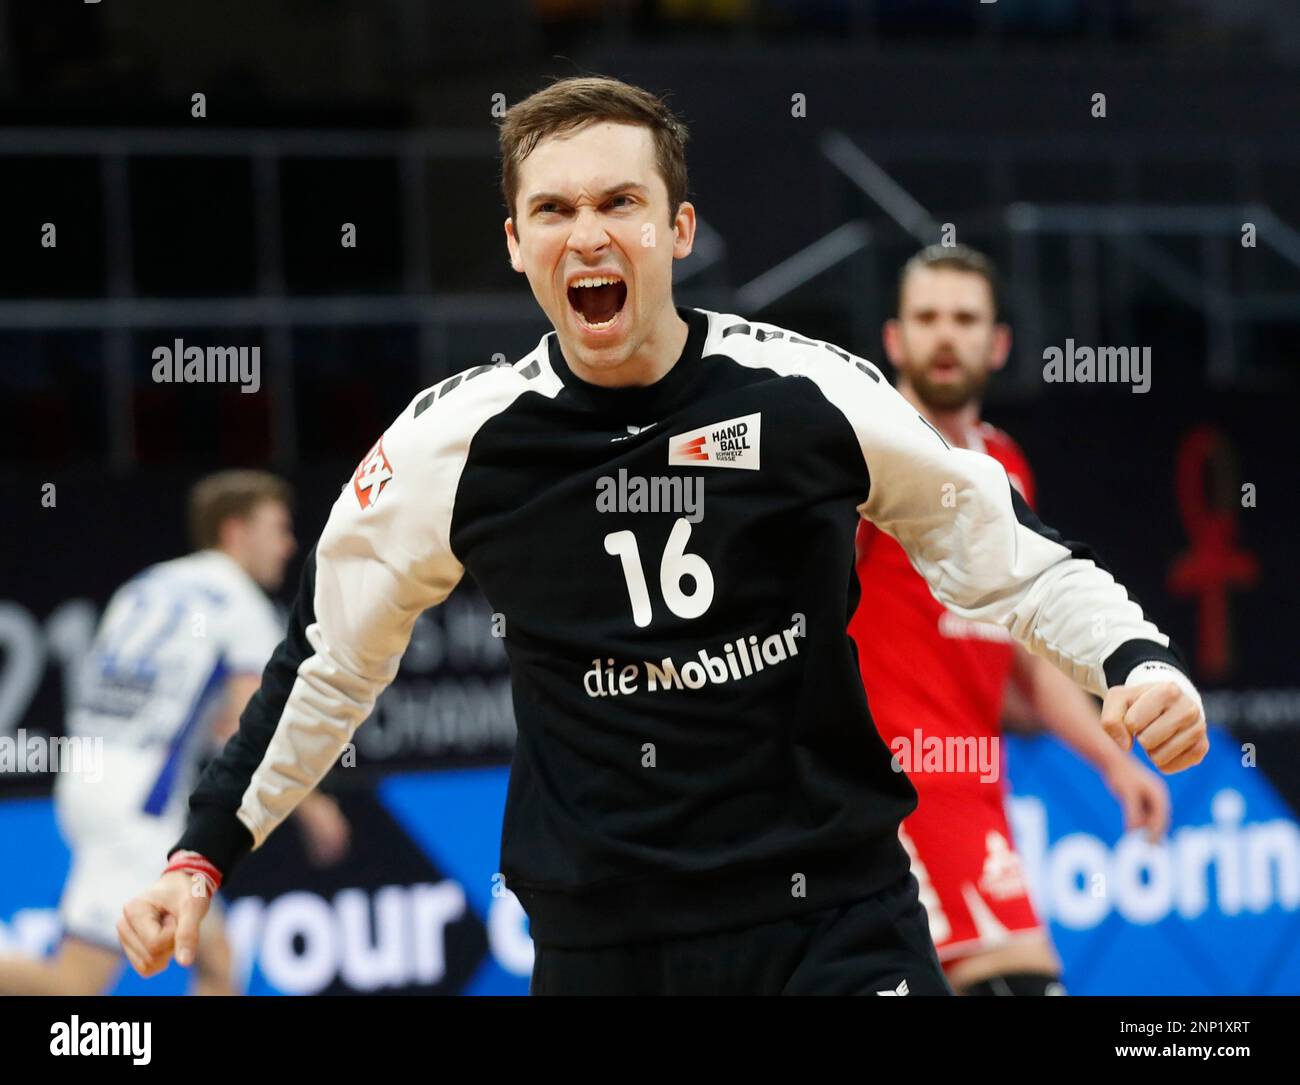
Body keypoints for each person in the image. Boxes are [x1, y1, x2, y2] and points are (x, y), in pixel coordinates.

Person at [118, 76, 1207, 996]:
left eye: (619, 201)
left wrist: (1134, 655)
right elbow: (328, 665)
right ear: (515, 244)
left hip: (830, 913)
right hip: (609, 941)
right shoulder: (455, 443)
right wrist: (202, 853)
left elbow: (1002, 549)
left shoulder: (806, 393)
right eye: (552, 210)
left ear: (676, 230)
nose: (587, 232)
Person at [848, 245, 1172, 996]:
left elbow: (1024, 656)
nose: (945, 336)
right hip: (890, 798)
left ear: (997, 344)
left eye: (964, 319)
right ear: (895, 340)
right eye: (927, 318)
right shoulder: (864, 453)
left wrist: (1115, 760)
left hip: (975, 789)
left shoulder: (1004, 464)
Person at [0, 470, 348, 995]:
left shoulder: (144, 586)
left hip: (85, 778)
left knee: (217, 958)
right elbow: (246, 727)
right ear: (235, 531)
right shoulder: (239, 603)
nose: (289, 545)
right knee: (74, 985)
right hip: (140, 803)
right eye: (277, 529)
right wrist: (311, 803)